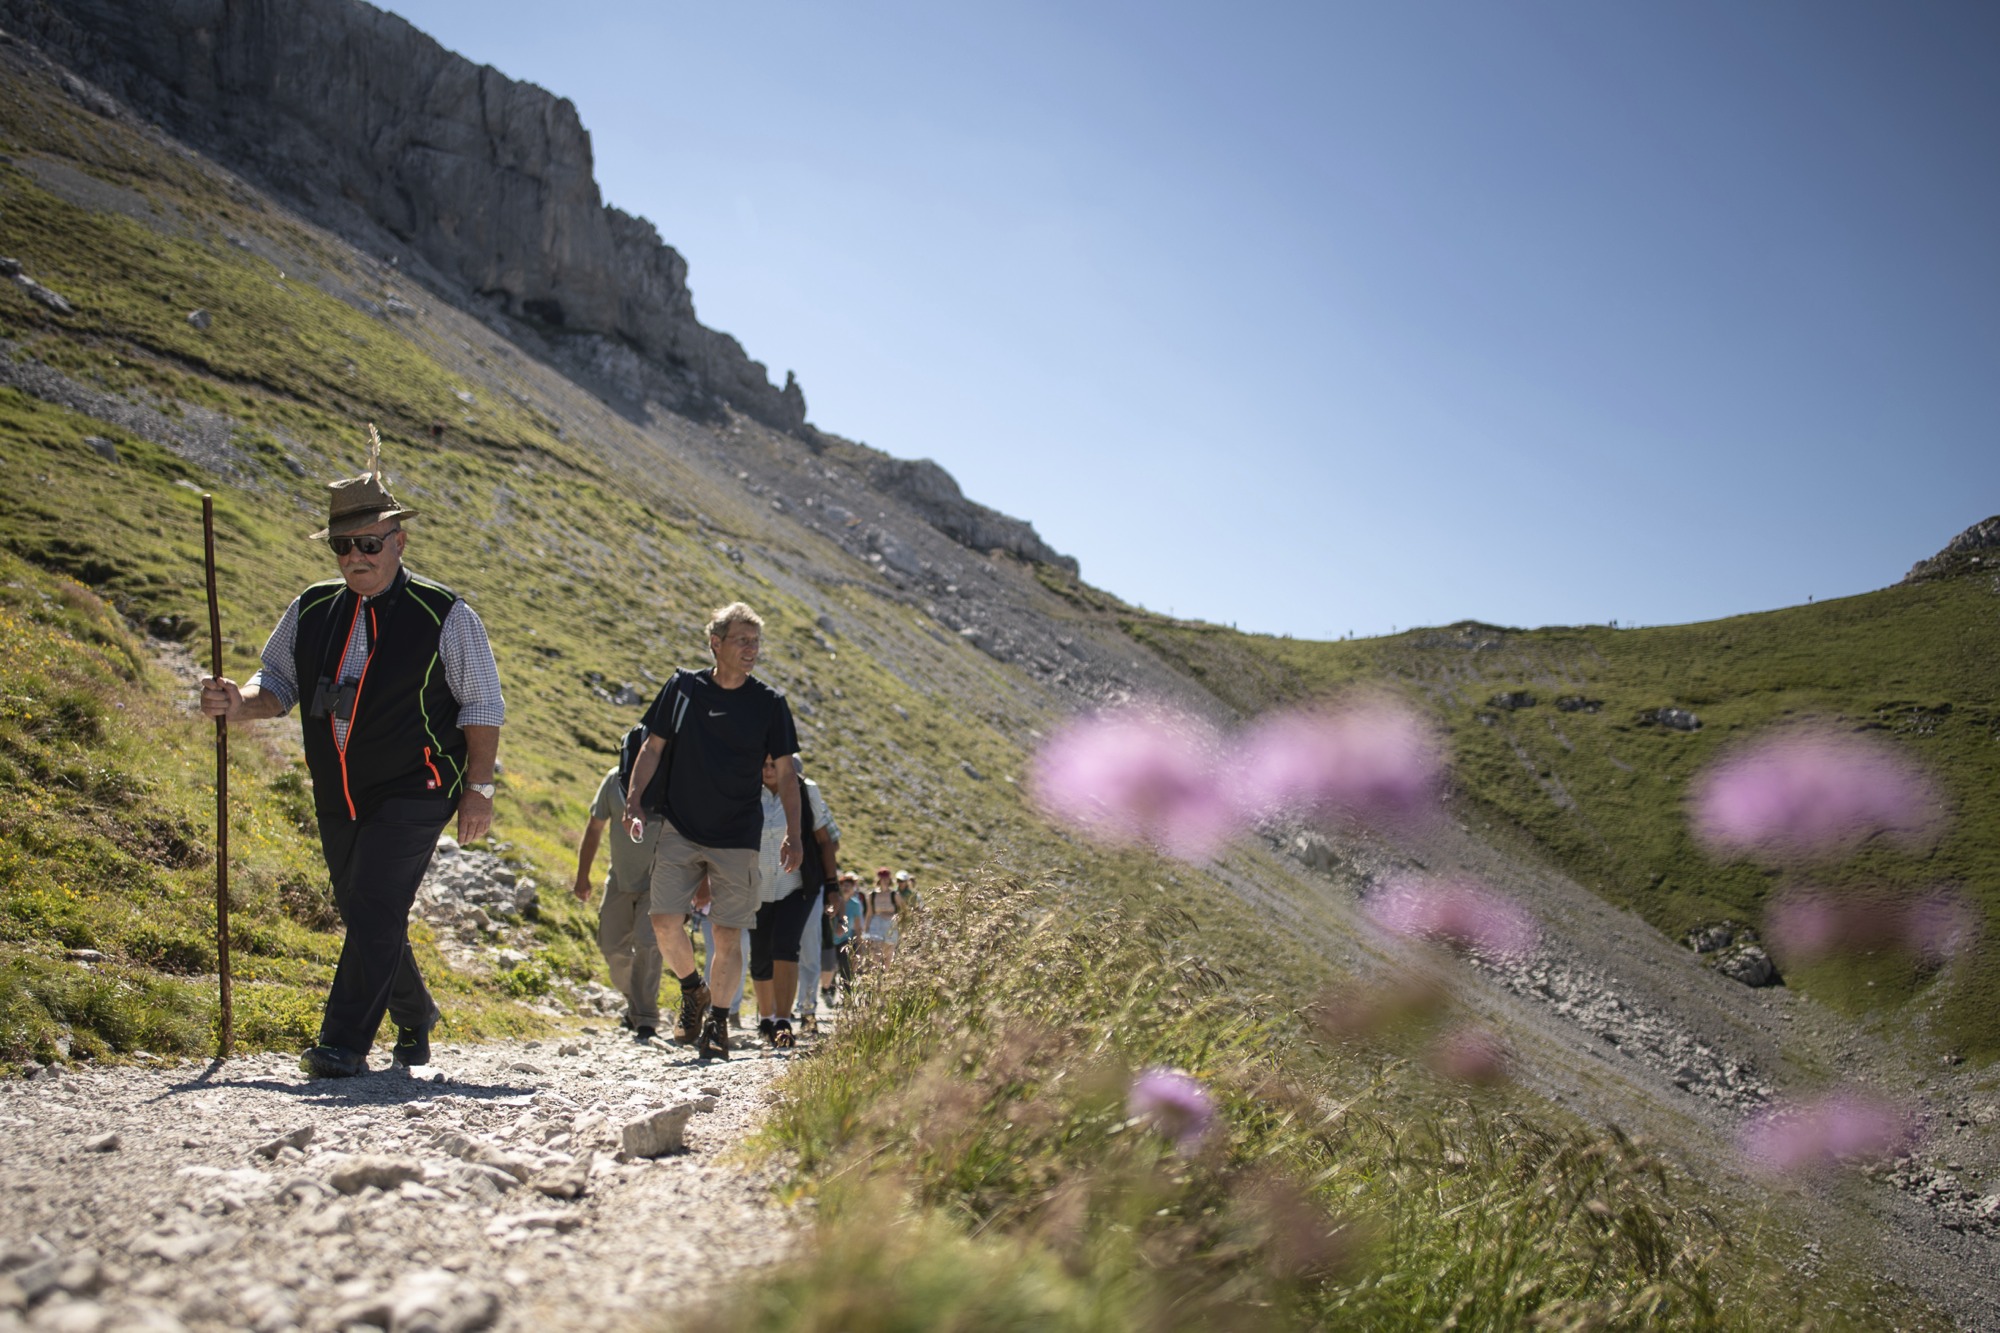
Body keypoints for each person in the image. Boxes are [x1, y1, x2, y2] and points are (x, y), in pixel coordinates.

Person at [199, 441, 502, 1079]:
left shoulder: (445, 614)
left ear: (399, 541)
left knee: (371, 901)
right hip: (338, 789)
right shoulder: (310, 609)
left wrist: (479, 789)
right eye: (343, 546)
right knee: (369, 909)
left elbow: (481, 708)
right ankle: (415, 1012)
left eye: (369, 542)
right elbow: (275, 688)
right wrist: (236, 701)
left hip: (418, 786)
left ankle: (342, 1044)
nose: (355, 557)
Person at [623, 602, 800, 1060]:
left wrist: (794, 833)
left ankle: (718, 1024)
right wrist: (634, 800)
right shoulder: (683, 688)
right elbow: (652, 747)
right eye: (743, 640)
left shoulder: (769, 704)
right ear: (715, 643)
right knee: (664, 921)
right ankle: (692, 990)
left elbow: (787, 773)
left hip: (739, 833)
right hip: (681, 826)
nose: (752, 650)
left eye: (756, 642)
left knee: (727, 933)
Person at [749, 755, 838, 1047]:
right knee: (761, 954)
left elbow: (825, 840)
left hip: (796, 885)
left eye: (774, 763)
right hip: (757, 887)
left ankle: (783, 1021)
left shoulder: (805, 789)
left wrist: (832, 886)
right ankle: (766, 1018)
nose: (768, 769)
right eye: (763, 764)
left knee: (785, 947)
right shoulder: (745, 789)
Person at [572, 764, 663, 1038]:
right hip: (620, 880)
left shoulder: (669, 778)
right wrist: (582, 876)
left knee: (649, 944)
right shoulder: (613, 780)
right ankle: (635, 1001)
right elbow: (595, 827)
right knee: (612, 947)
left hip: (659, 882)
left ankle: (646, 1019)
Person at [863, 866, 903, 966]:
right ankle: (876, 978)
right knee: (875, 954)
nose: (884, 881)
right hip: (876, 925)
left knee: (888, 957)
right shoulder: (872, 895)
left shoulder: (894, 895)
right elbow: (869, 913)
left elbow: (904, 911)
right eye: (882, 878)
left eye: (886, 878)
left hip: (890, 925)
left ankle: (886, 978)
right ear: (879, 879)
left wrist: (900, 922)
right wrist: (865, 931)